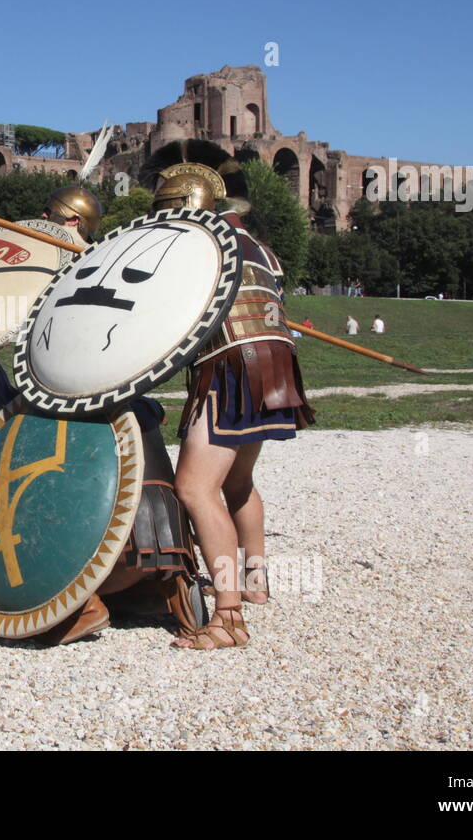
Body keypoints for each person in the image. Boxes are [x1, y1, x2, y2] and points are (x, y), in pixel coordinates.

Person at [148, 159, 314, 651]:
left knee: (196, 489)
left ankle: (228, 617)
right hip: (275, 364)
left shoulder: (199, 243)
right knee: (237, 482)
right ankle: (255, 581)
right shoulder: (260, 247)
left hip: (231, 365)